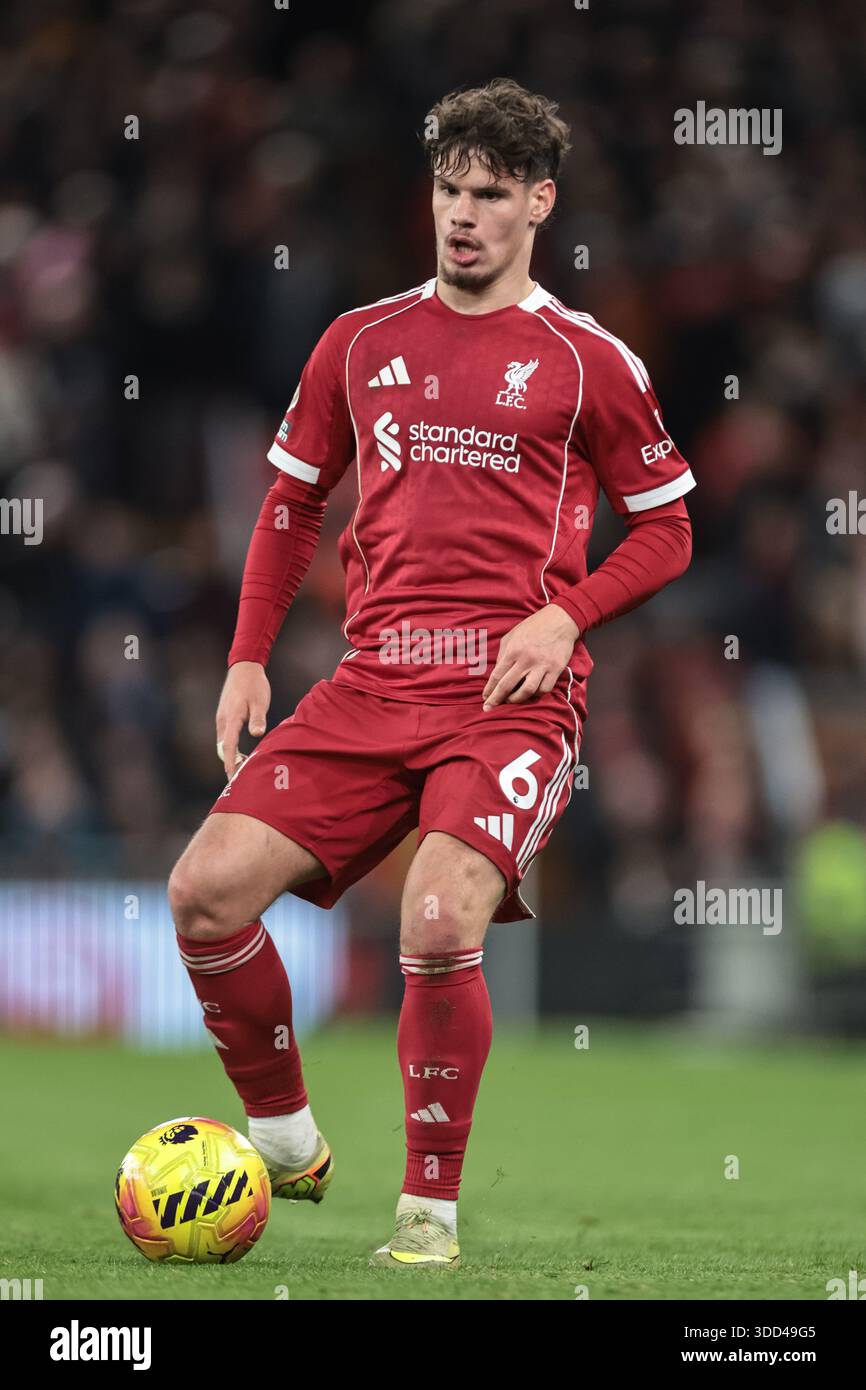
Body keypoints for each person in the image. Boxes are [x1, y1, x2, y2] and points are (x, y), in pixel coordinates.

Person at [168, 77, 694, 1269]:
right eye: (448, 190)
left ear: (537, 204)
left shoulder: (585, 360)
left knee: (439, 914)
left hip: (507, 703)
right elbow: (292, 503)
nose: (461, 215)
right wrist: (248, 655)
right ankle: (285, 1134)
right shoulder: (360, 340)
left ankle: (426, 1215)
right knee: (203, 892)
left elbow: (665, 528)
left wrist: (568, 613)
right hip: (370, 683)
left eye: (489, 195)